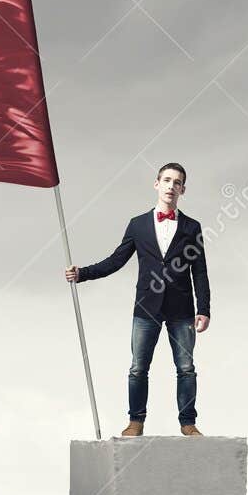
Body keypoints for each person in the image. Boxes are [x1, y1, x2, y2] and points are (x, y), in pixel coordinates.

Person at [63, 163, 211, 437]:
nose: (171, 186)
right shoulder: (138, 224)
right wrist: (82, 273)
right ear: (157, 184)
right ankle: (136, 422)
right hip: (146, 307)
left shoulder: (192, 227)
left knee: (186, 369)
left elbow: (199, 271)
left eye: (177, 182)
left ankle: (188, 423)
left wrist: (204, 309)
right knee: (138, 368)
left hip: (181, 309)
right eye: (166, 180)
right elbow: (116, 260)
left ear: (183, 190)